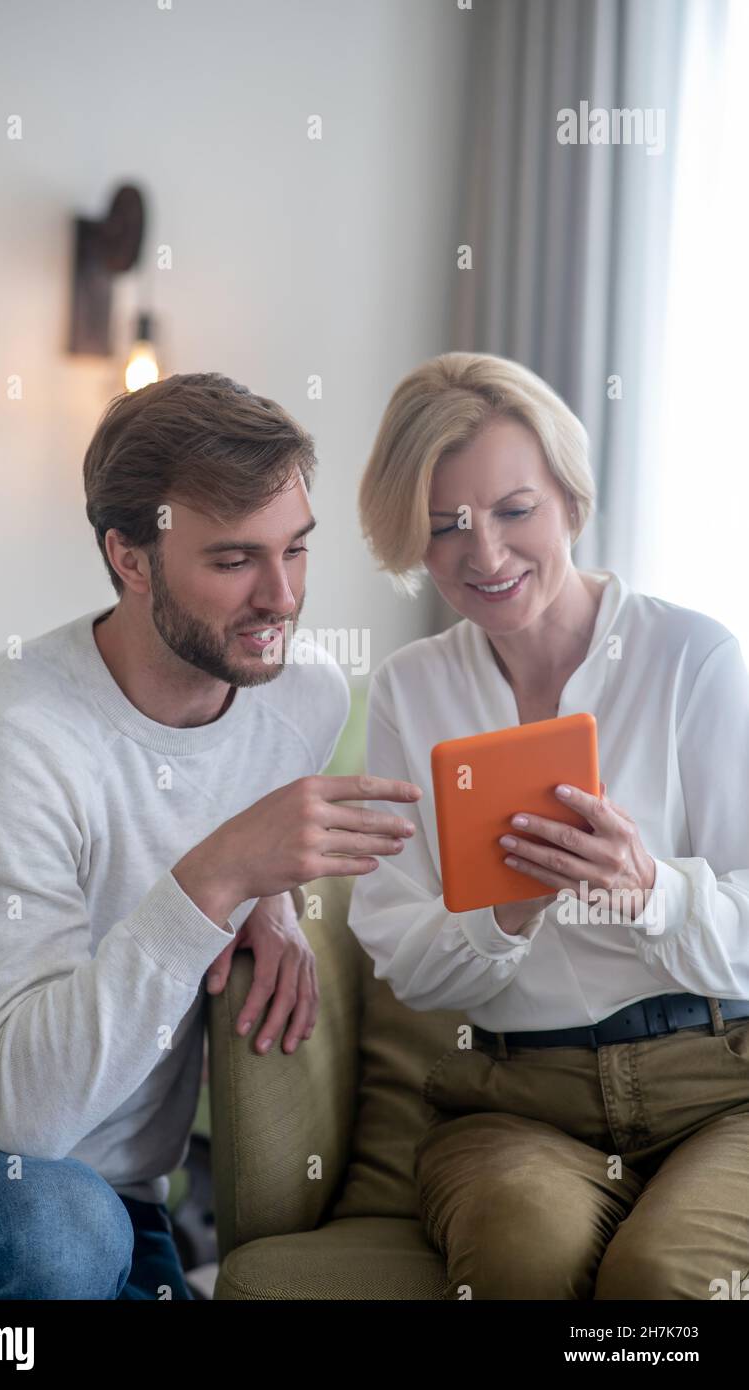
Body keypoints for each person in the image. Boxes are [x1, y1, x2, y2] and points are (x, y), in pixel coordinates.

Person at [0, 372, 420, 1299]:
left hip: (123, 1189)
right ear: (130, 557)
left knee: (92, 1231)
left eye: (296, 550)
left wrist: (273, 897)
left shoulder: (303, 696)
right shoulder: (15, 743)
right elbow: (29, 1116)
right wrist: (217, 878)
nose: (281, 596)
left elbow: (233, 830)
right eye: (233, 561)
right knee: (60, 1234)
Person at [348, 350, 749, 1300]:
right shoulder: (413, 690)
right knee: (525, 1261)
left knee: (662, 1281)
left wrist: (653, 891)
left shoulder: (692, 657)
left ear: (571, 500)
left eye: (514, 510)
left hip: (723, 1083)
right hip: (517, 1103)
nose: (483, 555)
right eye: (445, 527)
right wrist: (504, 912)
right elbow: (404, 952)